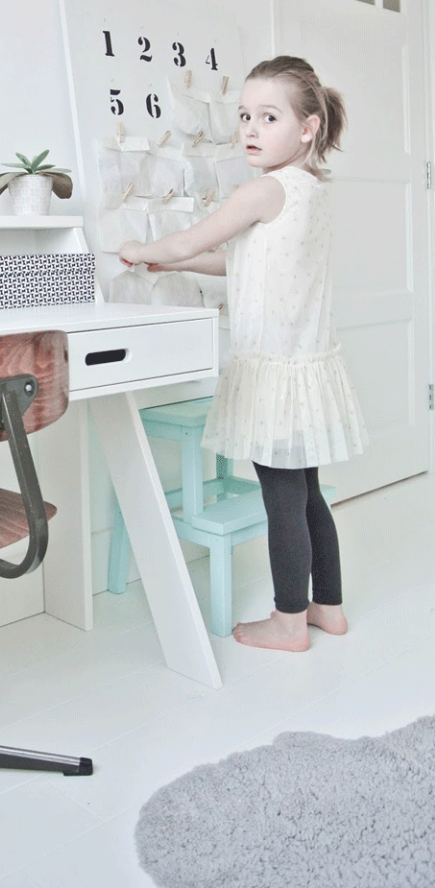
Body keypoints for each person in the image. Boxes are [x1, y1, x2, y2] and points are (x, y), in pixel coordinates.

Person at [119, 56, 367, 652]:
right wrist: (171, 261)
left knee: (281, 498)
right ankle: (326, 607)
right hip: (305, 367)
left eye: (269, 117)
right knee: (307, 494)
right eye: (245, 116)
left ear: (307, 128)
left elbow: (194, 237)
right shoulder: (309, 192)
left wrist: (140, 247)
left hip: (272, 374)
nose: (251, 129)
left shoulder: (263, 189)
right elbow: (241, 262)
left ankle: (287, 622)